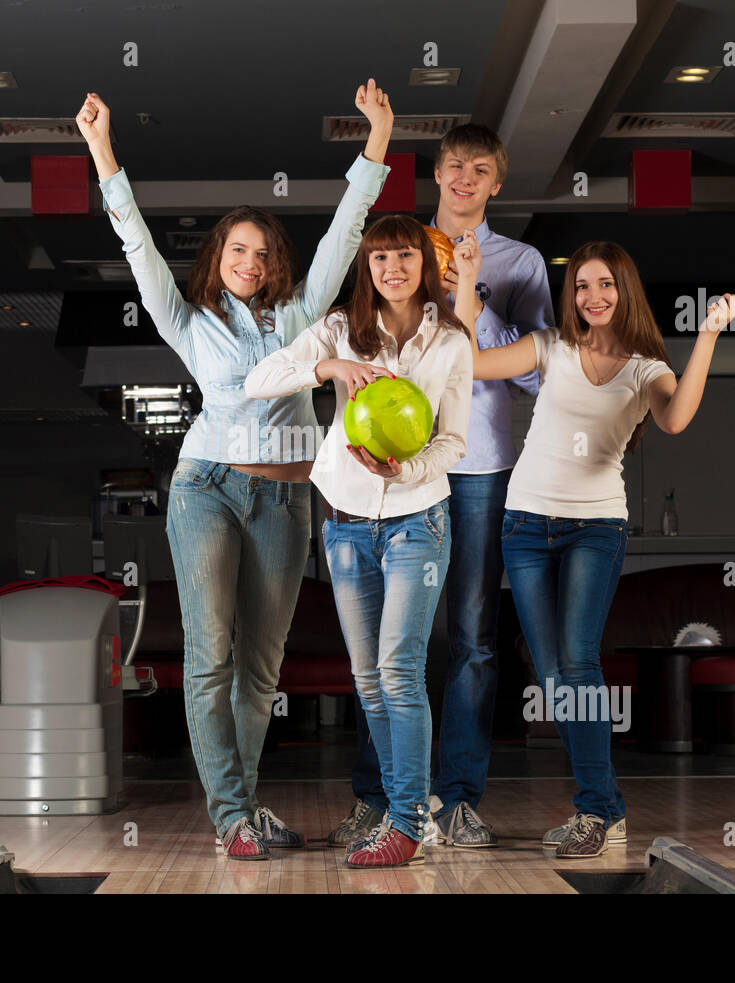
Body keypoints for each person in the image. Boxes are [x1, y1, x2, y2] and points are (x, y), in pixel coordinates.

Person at [74, 82, 393, 860]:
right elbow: (137, 246)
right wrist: (102, 151)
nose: (250, 261)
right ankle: (230, 817)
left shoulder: (302, 315)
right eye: (236, 249)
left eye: (261, 251)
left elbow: (346, 234)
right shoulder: (187, 321)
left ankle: (244, 812)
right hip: (207, 490)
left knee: (261, 665)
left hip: (284, 501)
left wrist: (376, 141)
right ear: (218, 257)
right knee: (210, 651)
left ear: (274, 262)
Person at [452, 234, 735, 858]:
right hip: (524, 525)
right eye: (582, 285)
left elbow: (677, 418)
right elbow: (468, 362)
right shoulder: (550, 347)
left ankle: (597, 809)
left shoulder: (645, 368)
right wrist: (467, 287)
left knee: (578, 664)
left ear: (624, 290)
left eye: (605, 284)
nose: (593, 295)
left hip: (594, 528)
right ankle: (605, 814)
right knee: (554, 675)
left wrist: (709, 336)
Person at [329, 124, 552, 850]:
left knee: (473, 640)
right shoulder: (396, 250)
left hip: (477, 468)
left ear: (496, 183)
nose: (465, 178)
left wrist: (473, 299)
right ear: (436, 175)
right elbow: (356, 338)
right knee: (389, 652)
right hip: (390, 475)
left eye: (480, 169)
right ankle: (381, 796)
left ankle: (455, 798)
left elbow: (536, 372)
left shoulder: (519, 263)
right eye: (454, 166)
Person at [245, 215, 474, 867]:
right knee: (369, 679)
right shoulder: (342, 327)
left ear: (422, 265)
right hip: (345, 521)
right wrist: (330, 364)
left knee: (400, 671)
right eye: (379, 258)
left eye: (404, 255)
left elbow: (453, 441)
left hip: (418, 521)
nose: (392, 268)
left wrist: (406, 468)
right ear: (366, 268)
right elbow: (259, 380)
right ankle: (412, 811)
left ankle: (404, 822)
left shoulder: (452, 343)